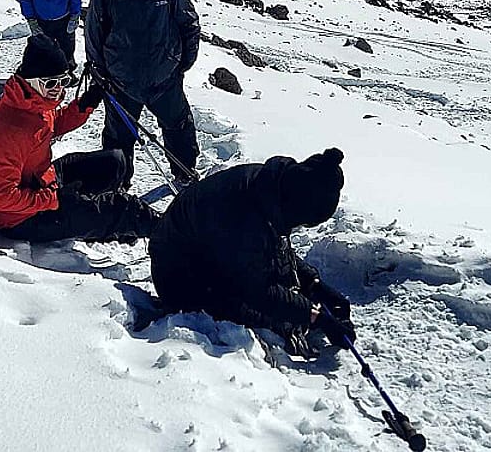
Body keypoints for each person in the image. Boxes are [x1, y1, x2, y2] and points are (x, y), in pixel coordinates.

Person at [148, 148, 356, 357]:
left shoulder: (270, 185)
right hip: (177, 275)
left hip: (208, 252)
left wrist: (314, 284)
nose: (298, 227)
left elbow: (276, 249)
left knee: (284, 291)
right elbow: (257, 291)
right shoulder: (243, 217)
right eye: (303, 222)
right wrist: (315, 317)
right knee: (264, 313)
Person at [0, 34, 159, 243]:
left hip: (43, 180)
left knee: (115, 161)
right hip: (20, 218)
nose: (58, 89)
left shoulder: (31, 100)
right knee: (123, 209)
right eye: (50, 83)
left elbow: (50, 125)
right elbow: (2, 198)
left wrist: (85, 105)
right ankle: (172, 232)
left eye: (63, 81)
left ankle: (101, 221)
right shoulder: (9, 130)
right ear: (30, 80)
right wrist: (55, 200)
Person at [85, 0, 200, 186]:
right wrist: (99, 71)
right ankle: (116, 183)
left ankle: (185, 172)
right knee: (118, 137)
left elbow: (188, 24)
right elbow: (94, 34)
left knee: (178, 126)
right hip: (121, 80)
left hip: (164, 77)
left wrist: (183, 62)